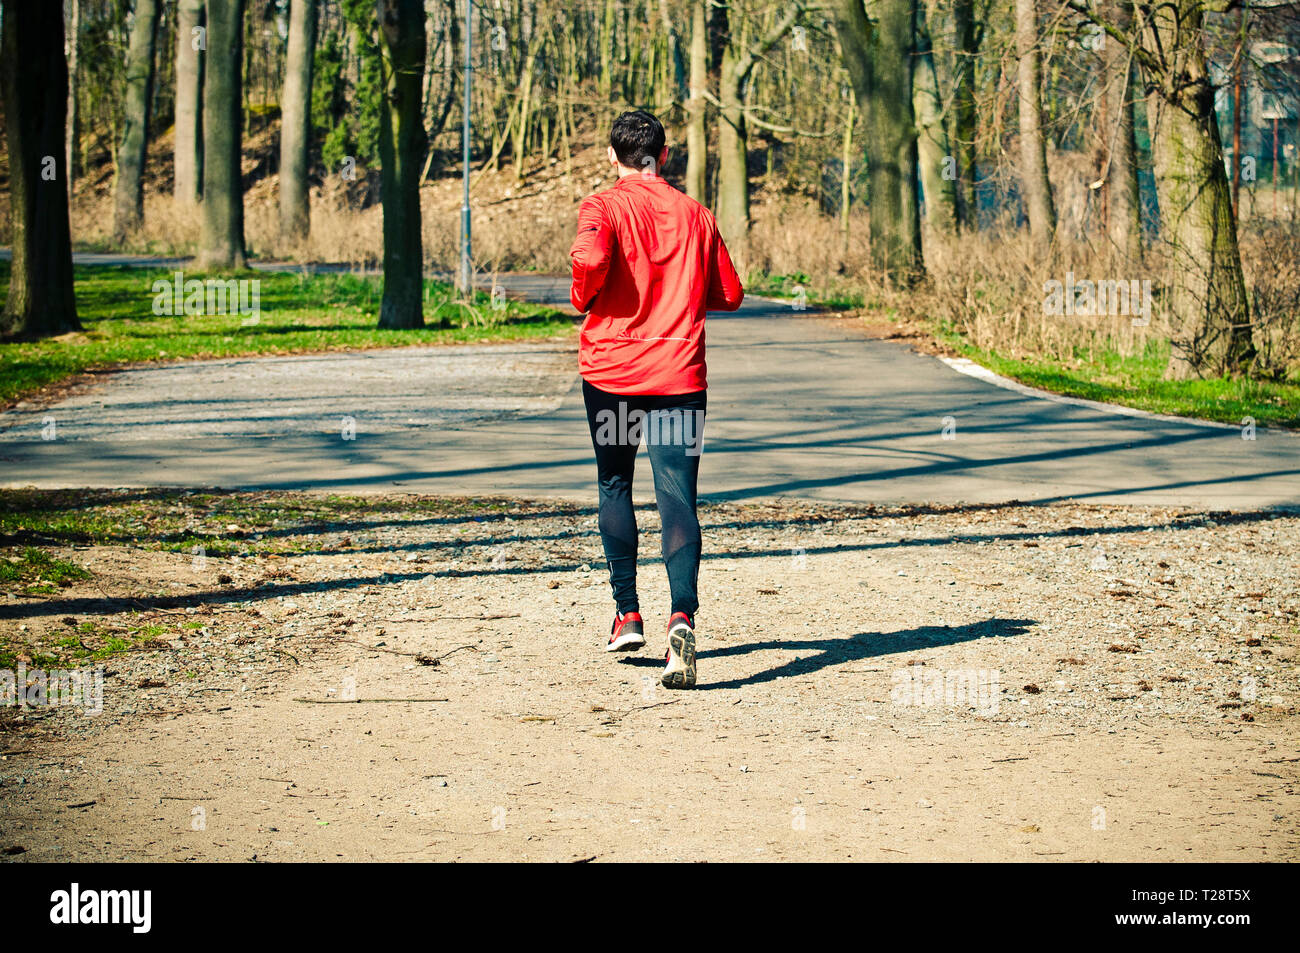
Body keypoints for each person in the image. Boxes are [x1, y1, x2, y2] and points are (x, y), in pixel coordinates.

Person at [569, 110, 744, 689]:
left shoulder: (601, 207)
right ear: (663, 157)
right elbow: (730, 293)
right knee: (676, 498)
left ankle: (627, 613)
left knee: (615, 484)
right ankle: (681, 620)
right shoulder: (696, 214)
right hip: (678, 376)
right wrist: (679, 296)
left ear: (612, 157)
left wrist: (586, 295)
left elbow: (590, 265)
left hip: (613, 373)